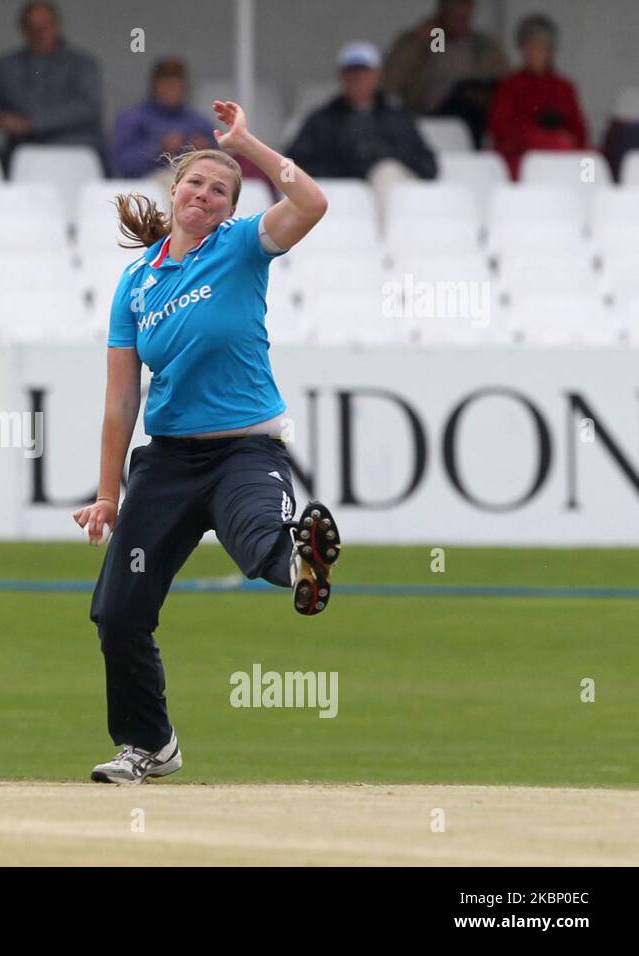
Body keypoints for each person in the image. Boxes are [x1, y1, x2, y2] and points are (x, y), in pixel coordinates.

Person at [73, 101, 342, 786]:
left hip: (246, 450)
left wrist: (246, 140)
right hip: (168, 462)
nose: (204, 195)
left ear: (229, 207)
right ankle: (148, 745)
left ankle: (302, 567)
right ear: (175, 191)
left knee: (261, 541)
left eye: (220, 190)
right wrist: (108, 495)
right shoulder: (136, 284)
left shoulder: (244, 245)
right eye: (195, 183)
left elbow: (310, 203)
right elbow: (120, 400)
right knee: (117, 611)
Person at [0, 1, 103, 162]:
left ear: (57, 26)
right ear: (23, 31)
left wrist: (31, 124)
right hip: (22, 154)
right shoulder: (6, 66)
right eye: (31, 27)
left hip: (74, 151)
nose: (38, 33)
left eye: (45, 26)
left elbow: (88, 108)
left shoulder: (83, 64)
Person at [287, 42, 436, 200]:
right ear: (341, 76)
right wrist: (350, 168)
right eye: (351, 72)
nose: (358, 78)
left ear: (377, 75)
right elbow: (295, 163)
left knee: (386, 173)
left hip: (393, 188)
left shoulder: (397, 117)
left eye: (364, 72)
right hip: (340, 197)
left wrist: (384, 157)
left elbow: (427, 165)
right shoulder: (322, 119)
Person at [382, 0, 509, 148]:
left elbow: (506, 85)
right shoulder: (432, 41)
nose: (460, 20)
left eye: (464, 16)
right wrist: (417, 43)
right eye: (454, 14)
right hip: (431, 115)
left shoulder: (483, 45)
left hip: (477, 118)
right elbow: (389, 83)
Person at [487, 14, 589, 180]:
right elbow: (501, 130)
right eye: (532, 46)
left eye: (544, 47)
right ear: (522, 48)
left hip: (563, 157)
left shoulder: (564, 87)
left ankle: (588, 197)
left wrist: (560, 134)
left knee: (591, 162)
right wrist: (539, 135)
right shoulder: (509, 86)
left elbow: (580, 133)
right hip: (522, 159)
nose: (538, 52)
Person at [109, 57, 217, 178]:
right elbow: (122, 166)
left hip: (194, 182)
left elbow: (223, 165)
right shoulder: (132, 119)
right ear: (154, 86)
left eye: (176, 84)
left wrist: (206, 152)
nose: (171, 89)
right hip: (145, 188)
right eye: (166, 83)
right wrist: (159, 149)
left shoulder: (199, 123)